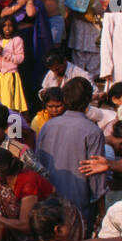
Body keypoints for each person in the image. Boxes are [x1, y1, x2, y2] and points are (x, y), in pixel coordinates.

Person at [38, 78, 108, 222]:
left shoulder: (48, 126)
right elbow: (96, 176)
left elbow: (37, 164)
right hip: (80, 208)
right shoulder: (93, 131)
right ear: (88, 100)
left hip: (49, 205)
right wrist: (102, 212)